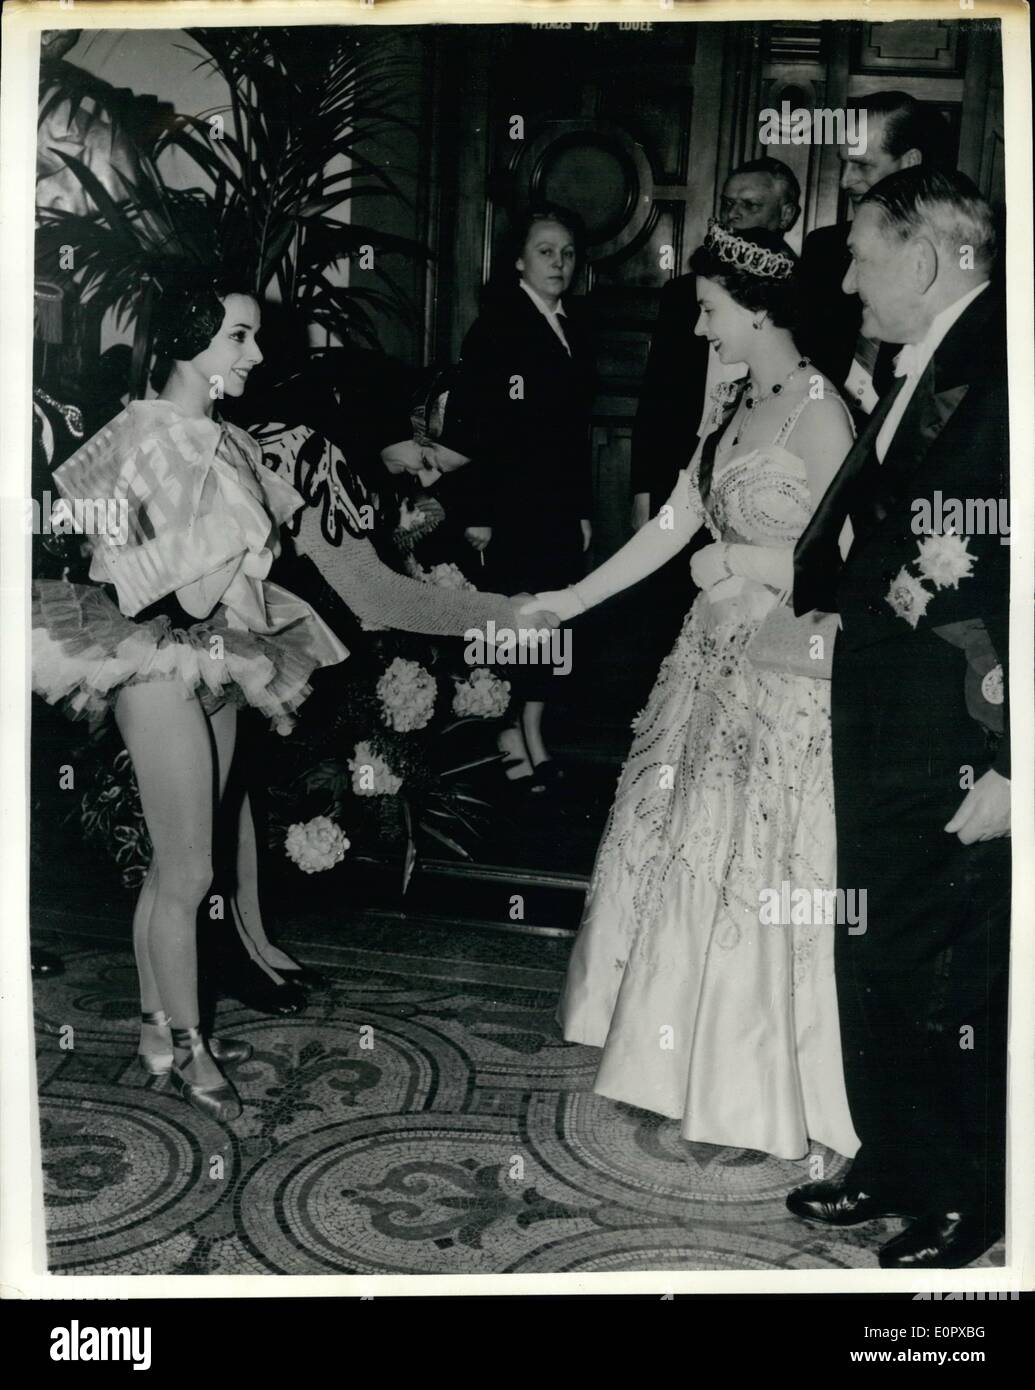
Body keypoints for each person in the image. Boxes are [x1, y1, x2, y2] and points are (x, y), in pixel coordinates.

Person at [520, 223, 859, 1160]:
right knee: (685, 859)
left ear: (759, 311)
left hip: (782, 682)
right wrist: (567, 600)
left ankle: (747, 1089)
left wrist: (745, 558)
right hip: (705, 667)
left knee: (750, 872)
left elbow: (850, 567)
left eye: (710, 310)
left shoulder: (824, 413)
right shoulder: (736, 403)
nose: (702, 330)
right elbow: (672, 523)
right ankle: (669, 1061)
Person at [31, 279, 349, 1121]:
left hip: (215, 659)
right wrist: (238, 534)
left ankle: (156, 1029)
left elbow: (232, 591)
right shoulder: (151, 439)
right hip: (153, 659)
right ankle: (195, 1046)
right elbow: (183, 589)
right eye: (239, 338)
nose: (254, 354)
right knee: (193, 870)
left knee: (174, 865)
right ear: (190, 343)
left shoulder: (212, 438)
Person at [788, 169, 1009, 1269]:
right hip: (886, 704)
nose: (843, 277)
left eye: (861, 253)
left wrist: (1015, 758)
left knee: (947, 960)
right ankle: (892, 1157)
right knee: (874, 932)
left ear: (924, 260)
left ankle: (966, 1194)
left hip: (963, 725)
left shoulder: (1006, 370)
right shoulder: (927, 360)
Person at [448, 204, 596, 790]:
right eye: (544, 251)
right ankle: (509, 734)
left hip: (555, 507)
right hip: (509, 508)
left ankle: (533, 732)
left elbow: (573, 428)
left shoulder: (571, 325)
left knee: (551, 622)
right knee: (515, 619)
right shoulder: (498, 326)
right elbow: (473, 425)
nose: (559, 263)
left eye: (566, 253)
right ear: (517, 260)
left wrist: (582, 508)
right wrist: (478, 511)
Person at [631, 157, 802, 529]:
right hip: (680, 469)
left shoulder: (807, 305)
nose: (733, 215)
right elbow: (656, 395)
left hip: (762, 484)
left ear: (786, 214)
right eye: (727, 204)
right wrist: (643, 488)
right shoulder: (681, 294)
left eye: (750, 205)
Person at [798, 91, 950, 412]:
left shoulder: (952, 259)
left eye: (862, 165)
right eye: (844, 163)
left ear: (910, 164)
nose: (844, 180)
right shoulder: (823, 249)